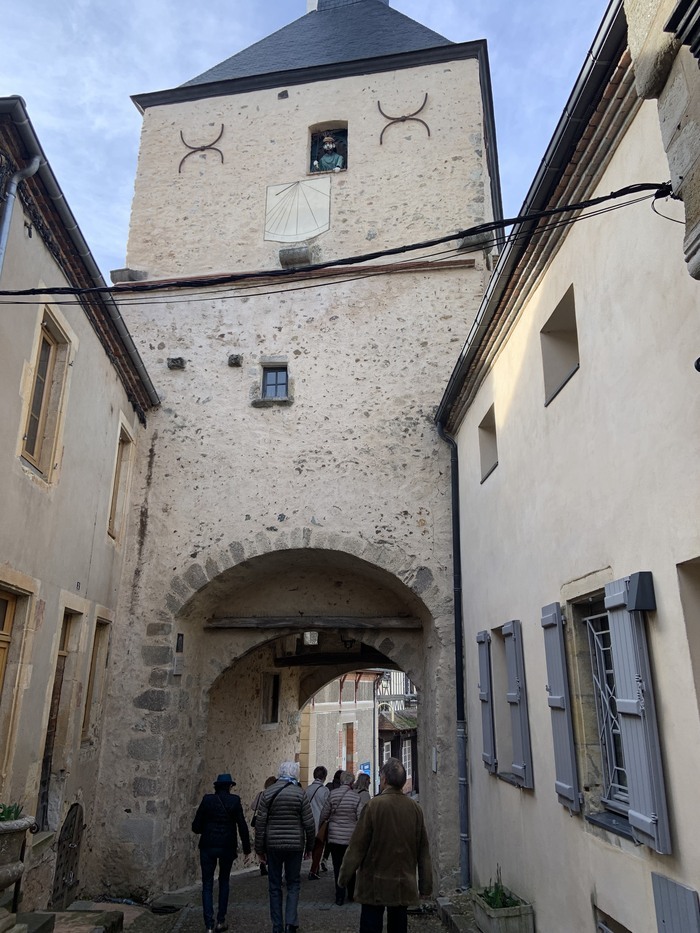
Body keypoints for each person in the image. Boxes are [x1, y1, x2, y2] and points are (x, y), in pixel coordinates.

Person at [339, 758, 432, 933]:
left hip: (374, 883)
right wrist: (425, 885)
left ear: (384, 780)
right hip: (402, 883)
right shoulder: (414, 809)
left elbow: (357, 846)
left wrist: (344, 876)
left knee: (370, 926)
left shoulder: (374, 806)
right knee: (398, 926)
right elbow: (423, 850)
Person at [254, 761, 315, 933]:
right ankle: (290, 922)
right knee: (293, 883)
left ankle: (277, 926)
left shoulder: (268, 793)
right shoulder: (300, 794)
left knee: (274, 885)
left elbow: (261, 824)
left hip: (273, 844)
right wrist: (310, 847)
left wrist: (259, 849)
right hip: (295, 845)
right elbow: (309, 824)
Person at [192, 772, 251, 933]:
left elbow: (196, 826)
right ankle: (220, 920)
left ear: (216, 787)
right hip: (227, 847)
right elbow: (242, 826)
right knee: (224, 882)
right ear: (230, 786)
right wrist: (247, 849)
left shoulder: (207, 800)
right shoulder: (234, 801)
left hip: (208, 846)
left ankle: (208, 924)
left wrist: (207, 828)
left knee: (207, 884)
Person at [318, 769, 361, 906]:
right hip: (350, 838)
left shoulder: (333, 795)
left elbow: (324, 814)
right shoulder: (356, 797)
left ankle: (339, 896)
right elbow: (361, 818)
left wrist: (320, 826)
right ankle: (351, 893)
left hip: (335, 838)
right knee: (351, 866)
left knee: (337, 867)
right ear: (352, 783)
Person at [305, 765, 330, 880]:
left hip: (308, 821)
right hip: (320, 822)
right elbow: (327, 807)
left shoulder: (307, 789)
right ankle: (313, 869)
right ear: (324, 777)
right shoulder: (325, 791)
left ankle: (314, 868)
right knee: (319, 846)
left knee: (309, 845)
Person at [251, 776, 276, 875]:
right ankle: (270, 863)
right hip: (270, 823)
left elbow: (253, 807)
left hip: (260, 823)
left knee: (261, 843)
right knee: (270, 843)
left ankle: (262, 863)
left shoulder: (261, 794)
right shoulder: (275, 795)